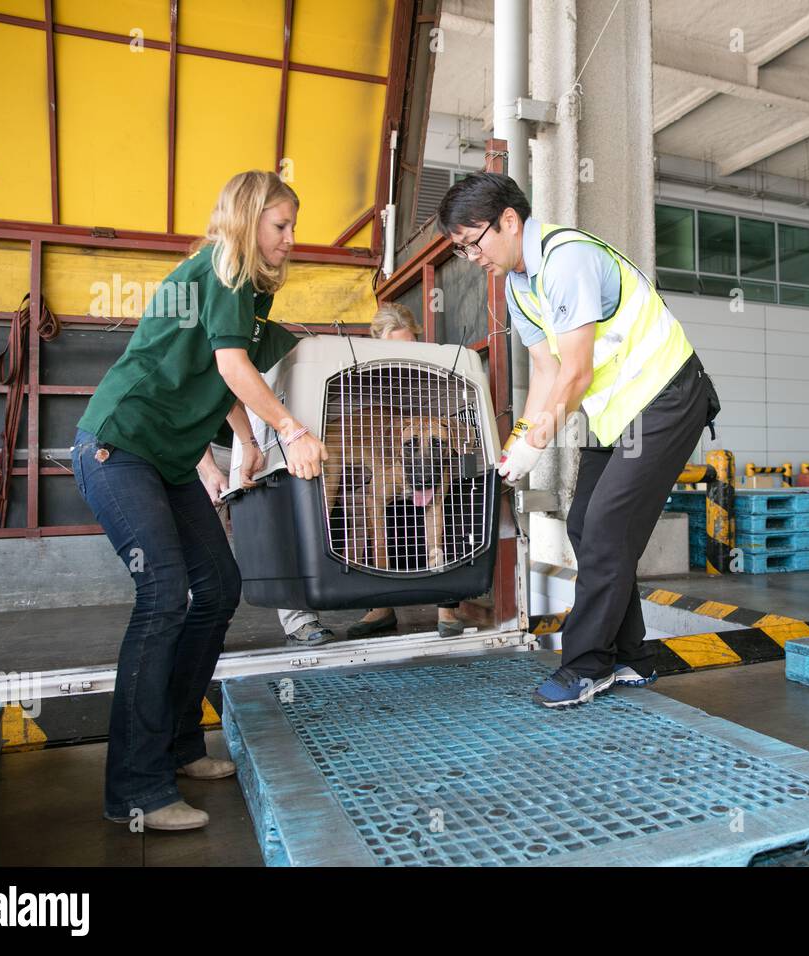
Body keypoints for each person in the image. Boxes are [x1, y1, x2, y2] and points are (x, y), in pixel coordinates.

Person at [72, 170, 328, 830]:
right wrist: (291, 430)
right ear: (247, 221)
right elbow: (233, 367)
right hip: (120, 446)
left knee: (217, 585)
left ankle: (182, 744)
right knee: (163, 594)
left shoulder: (243, 294)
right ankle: (136, 789)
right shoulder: (223, 267)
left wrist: (241, 444)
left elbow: (225, 375)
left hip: (169, 460)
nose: (290, 239)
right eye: (280, 225)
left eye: (293, 227)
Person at [438, 173, 719, 708]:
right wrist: (518, 440)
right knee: (583, 521)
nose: (472, 256)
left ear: (510, 220)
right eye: (461, 248)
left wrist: (535, 444)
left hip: (668, 395)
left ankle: (586, 664)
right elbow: (546, 372)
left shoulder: (565, 259)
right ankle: (631, 657)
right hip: (618, 414)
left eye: (474, 241)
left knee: (609, 523)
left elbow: (577, 373)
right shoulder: (520, 286)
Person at [348, 302, 471, 638]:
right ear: (377, 342)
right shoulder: (357, 369)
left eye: (410, 345)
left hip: (423, 450)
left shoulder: (432, 366)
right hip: (380, 450)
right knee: (363, 507)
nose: (404, 356)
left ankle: (446, 606)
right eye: (393, 347)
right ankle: (380, 604)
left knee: (447, 506)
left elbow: (451, 411)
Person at [196, 436, 336, 646]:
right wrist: (208, 469)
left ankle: (300, 620)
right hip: (213, 449)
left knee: (284, 527)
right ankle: (206, 630)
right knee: (204, 541)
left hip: (266, 445)